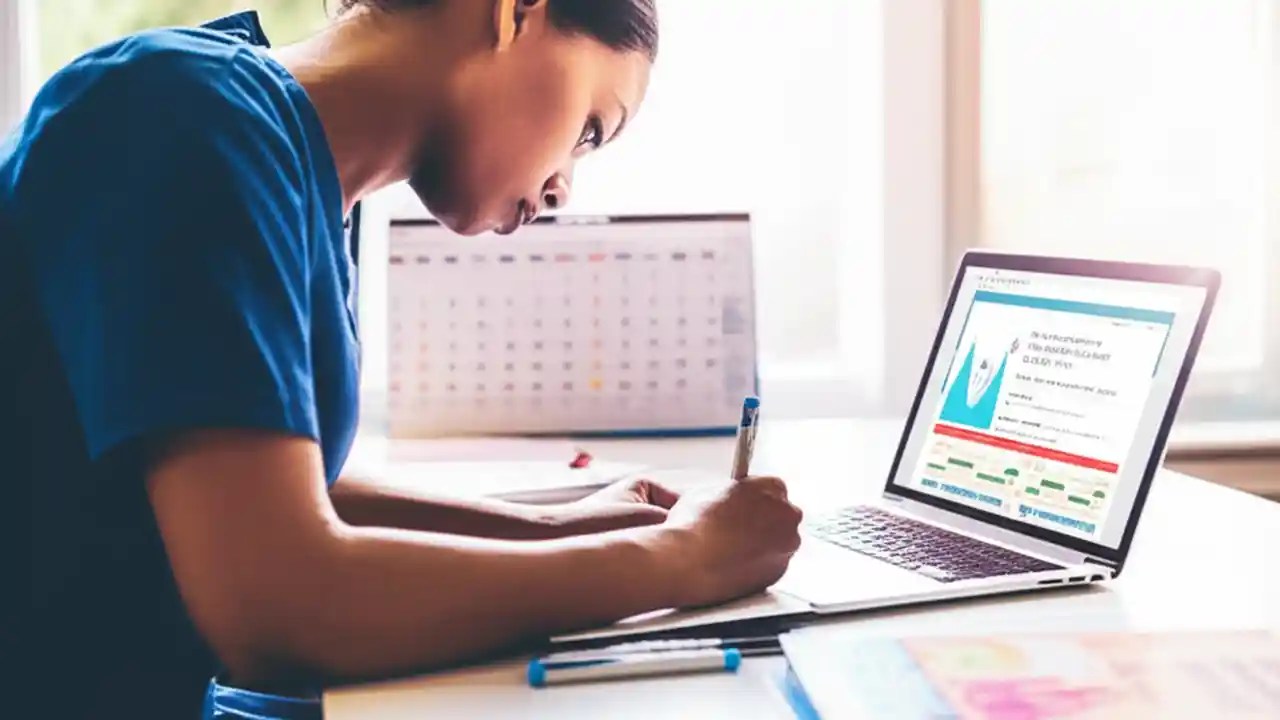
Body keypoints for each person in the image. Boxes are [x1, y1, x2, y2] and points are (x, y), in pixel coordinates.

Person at [0, 1, 804, 717]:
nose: (564, 188)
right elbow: (281, 602)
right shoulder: (184, 119)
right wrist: (679, 560)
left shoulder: (285, 168)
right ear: (515, 11)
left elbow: (261, 484)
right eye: (590, 130)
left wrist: (554, 527)